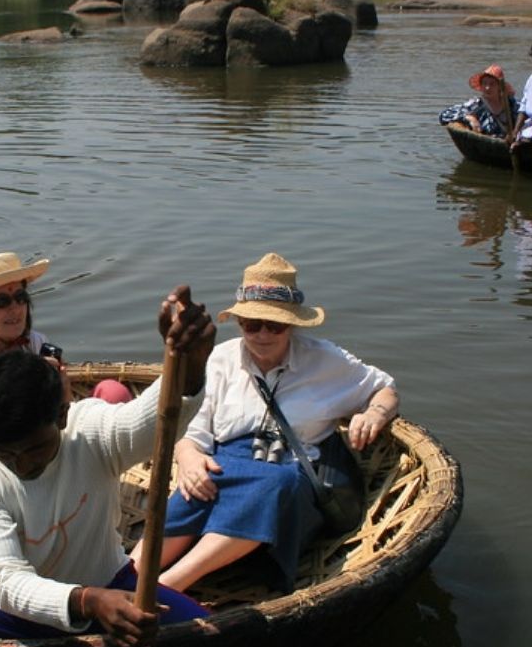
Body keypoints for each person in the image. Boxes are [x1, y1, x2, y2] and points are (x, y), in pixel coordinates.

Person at [0, 287, 216, 647]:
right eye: (7, 455)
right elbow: (6, 580)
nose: (23, 466)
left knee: (212, 638)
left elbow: (151, 422)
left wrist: (188, 365)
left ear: (62, 415)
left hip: (109, 584)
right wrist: (86, 601)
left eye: (35, 449)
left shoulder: (88, 431)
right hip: (11, 604)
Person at [151, 253, 399, 594]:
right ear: (239, 323)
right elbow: (189, 425)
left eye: (275, 325)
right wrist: (189, 457)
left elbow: (384, 389)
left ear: (293, 324)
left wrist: (374, 414)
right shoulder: (220, 359)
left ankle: (169, 585)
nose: (262, 334)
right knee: (198, 485)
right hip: (227, 464)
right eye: (252, 325)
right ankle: (131, 573)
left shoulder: (325, 360)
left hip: (292, 475)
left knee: (273, 482)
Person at [0, 252, 129, 450]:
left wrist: (61, 386)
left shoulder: (35, 342)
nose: (16, 309)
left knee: (113, 392)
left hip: (44, 436)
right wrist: (10, 387)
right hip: (7, 451)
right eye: (1, 302)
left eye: (20, 298)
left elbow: (62, 411)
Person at [438, 64, 520, 138]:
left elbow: (527, 115)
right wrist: (469, 118)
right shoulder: (476, 104)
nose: (487, 88)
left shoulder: (511, 104)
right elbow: (444, 115)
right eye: (485, 83)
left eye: (492, 84)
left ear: (499, 87)